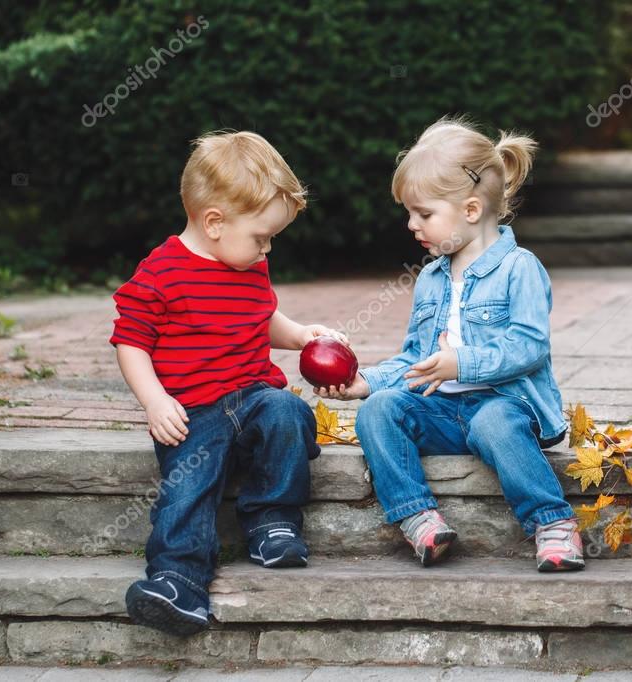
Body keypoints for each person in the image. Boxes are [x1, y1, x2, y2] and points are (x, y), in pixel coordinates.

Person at [315, 116, 582, 572]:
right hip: (444, 412)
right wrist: (367, 383)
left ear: (471, 210)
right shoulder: (431, 278)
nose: (411, 224)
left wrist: (462, 362)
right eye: (410, 213)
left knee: (494, 423)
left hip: (506, 406)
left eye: (424, 214)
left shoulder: (519, 268)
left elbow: (529, 346)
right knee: (379, 411)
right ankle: (419, 517)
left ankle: (552, 522)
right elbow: (416, 359)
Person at [111, 130, 348, 635]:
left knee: (289, 412)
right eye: (261, 237)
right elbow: (130, 342)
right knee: (187, 487)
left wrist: (301, 335)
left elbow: (261, 317)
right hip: (191, 410)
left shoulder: (249, 266)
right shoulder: (161, 273)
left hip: (253, 396)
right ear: (214, 223)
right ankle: (178, 579)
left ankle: (273, 520)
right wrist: (155, 402)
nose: (267, 249)